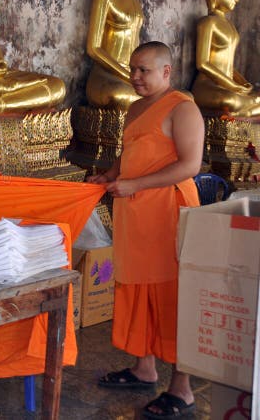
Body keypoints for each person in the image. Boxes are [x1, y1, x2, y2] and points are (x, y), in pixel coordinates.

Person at [87, 41, 204, 418]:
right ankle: (144, 367)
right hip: (137, 215)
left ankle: (182, 389)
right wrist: (111, 174)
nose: (134, 77)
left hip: (168, 212)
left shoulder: (183, 109)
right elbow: (131, 152)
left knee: (172, 297)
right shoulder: (136, 108)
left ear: (166, 72)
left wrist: (136, 185)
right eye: (132, 69)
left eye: (144, 70)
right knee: (139, 288)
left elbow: (190, 165)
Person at [192, 0, 260, 117]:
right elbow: (203, 63)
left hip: (227, 83)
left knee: (256, 97)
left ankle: (238, 116)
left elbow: (228, 65)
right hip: (207, 85)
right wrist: (232, 86)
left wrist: (242, 82)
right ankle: (240, 113)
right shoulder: (208, 22)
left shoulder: (230, 27)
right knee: (231, 100)